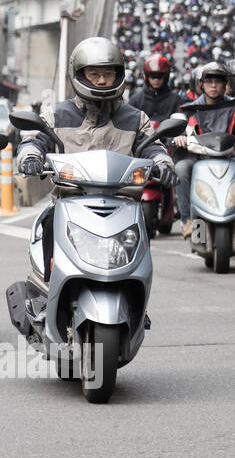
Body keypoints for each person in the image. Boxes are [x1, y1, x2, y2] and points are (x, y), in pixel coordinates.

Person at [17, 38, 174, 280]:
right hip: (69, 203)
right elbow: (34, 140)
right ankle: (48, 291)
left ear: (118, 75)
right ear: (79, 75)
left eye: (108, 74)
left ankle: (136, 306)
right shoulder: (57, 115)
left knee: (140, 250)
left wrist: (164, 164)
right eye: (94, 74)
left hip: (122, 205)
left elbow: (153, 148)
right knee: (49, 224)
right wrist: (30, 157)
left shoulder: (135, 118)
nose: (102, 80)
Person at [174, 61, 235, 238]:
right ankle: (187, 220)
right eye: (209, 82)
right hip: (199, 160)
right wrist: (179, 137)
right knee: (180, 169)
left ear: (225, 85)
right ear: (201, 84)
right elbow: (180, 128)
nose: (214, 86)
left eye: (218, 82)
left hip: (231, 158)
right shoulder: (190, 109)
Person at [128, 53, 186, 122]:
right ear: (147, 76)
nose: (156, 79)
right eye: (152, 75)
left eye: (159, 76)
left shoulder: (175, 100)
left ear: (166, 77)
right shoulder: (135, 100)